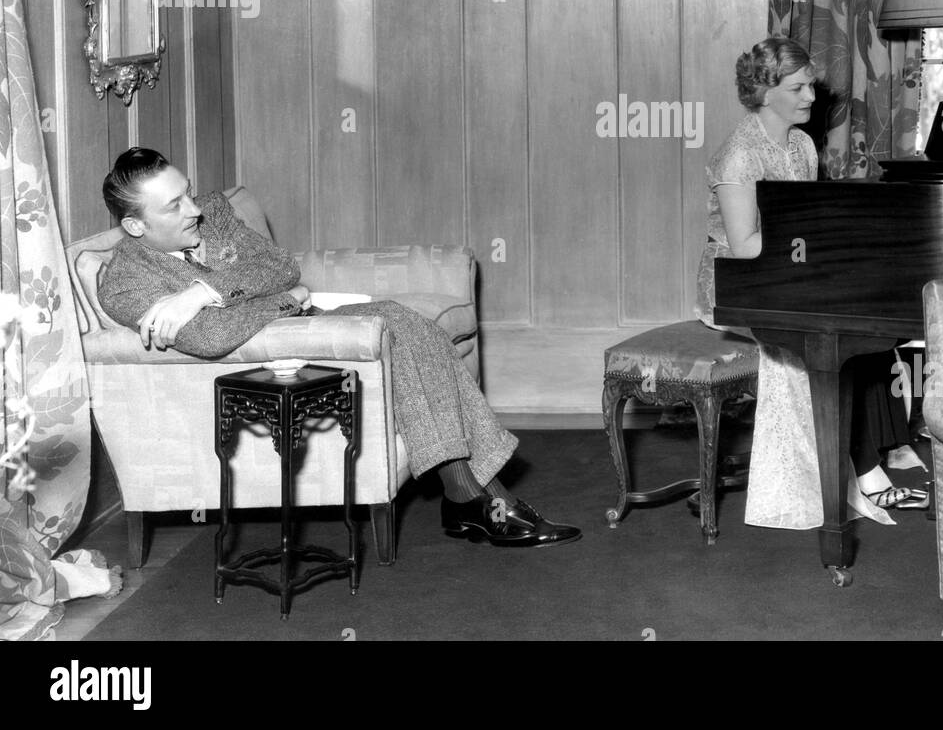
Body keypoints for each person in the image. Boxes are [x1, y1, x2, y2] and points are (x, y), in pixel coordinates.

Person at [96, 147, 580, 549]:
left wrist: (203, 293)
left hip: (306, 329)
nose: (194, 210)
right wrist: (287, 300)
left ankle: (468, 496)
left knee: (407, 323)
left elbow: (279, 265)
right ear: (136, 226)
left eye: (187, 193)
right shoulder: (124, 282)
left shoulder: (214, 213)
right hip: (273, 367)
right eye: (173, 206)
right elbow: (210, 338)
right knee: (396, 331)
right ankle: (478, 501)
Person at [695, 37, 926, 529]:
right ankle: (859, 473)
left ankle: (879, 455)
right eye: (797, 87)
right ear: (763, 91)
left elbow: (800, 228)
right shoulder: (738, 156)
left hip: (784, 275)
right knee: (830, 336)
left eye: (810, 86)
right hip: (737, 287)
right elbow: (745, 248)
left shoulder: (800, 145)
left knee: (867, 319)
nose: (810, 97)